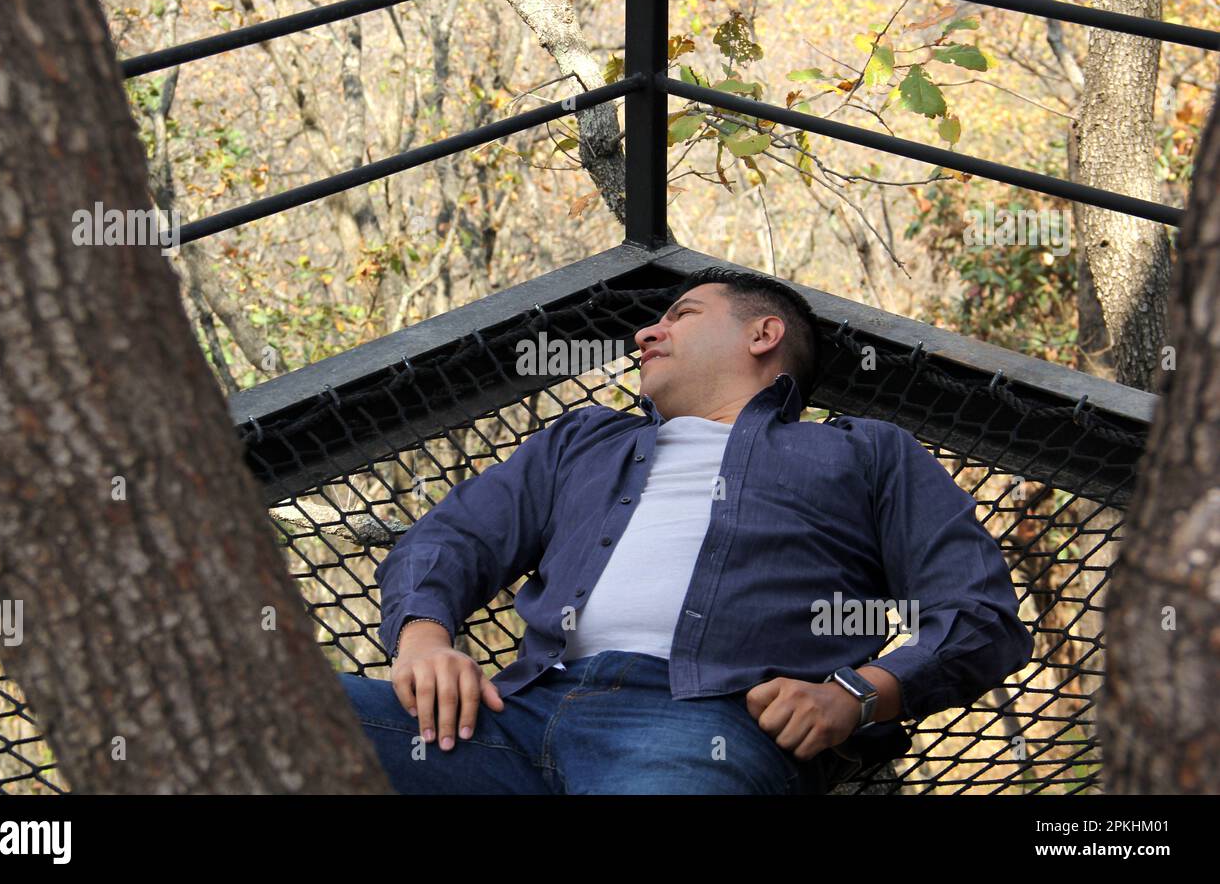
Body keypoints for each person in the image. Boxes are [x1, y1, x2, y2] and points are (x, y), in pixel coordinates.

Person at [340, 266, 1034, 794]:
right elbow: (449, 537)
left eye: (682, 315)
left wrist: (857, 695)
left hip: (702, 729)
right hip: (504, 716)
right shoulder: (584, 441)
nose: (646, 332)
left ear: (763, 335)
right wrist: (424, 639)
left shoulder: (866, 452)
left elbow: (979, 614)